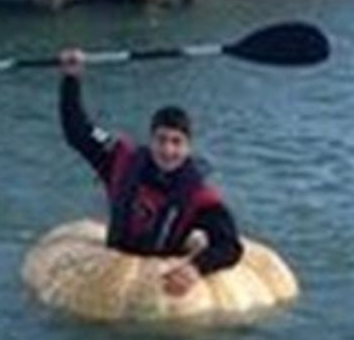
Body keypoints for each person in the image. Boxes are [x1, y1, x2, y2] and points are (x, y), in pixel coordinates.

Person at [58, 48, 243, 297]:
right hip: (110, 270)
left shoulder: (199, 196)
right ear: (150, 140)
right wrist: (71, 79)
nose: (168, 150)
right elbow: (78, 132)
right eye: (161, 140)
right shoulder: (120, 160)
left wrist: (196, 268)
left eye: (177, 142)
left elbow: (229, 245)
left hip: (163, 282)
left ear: (188, 147)